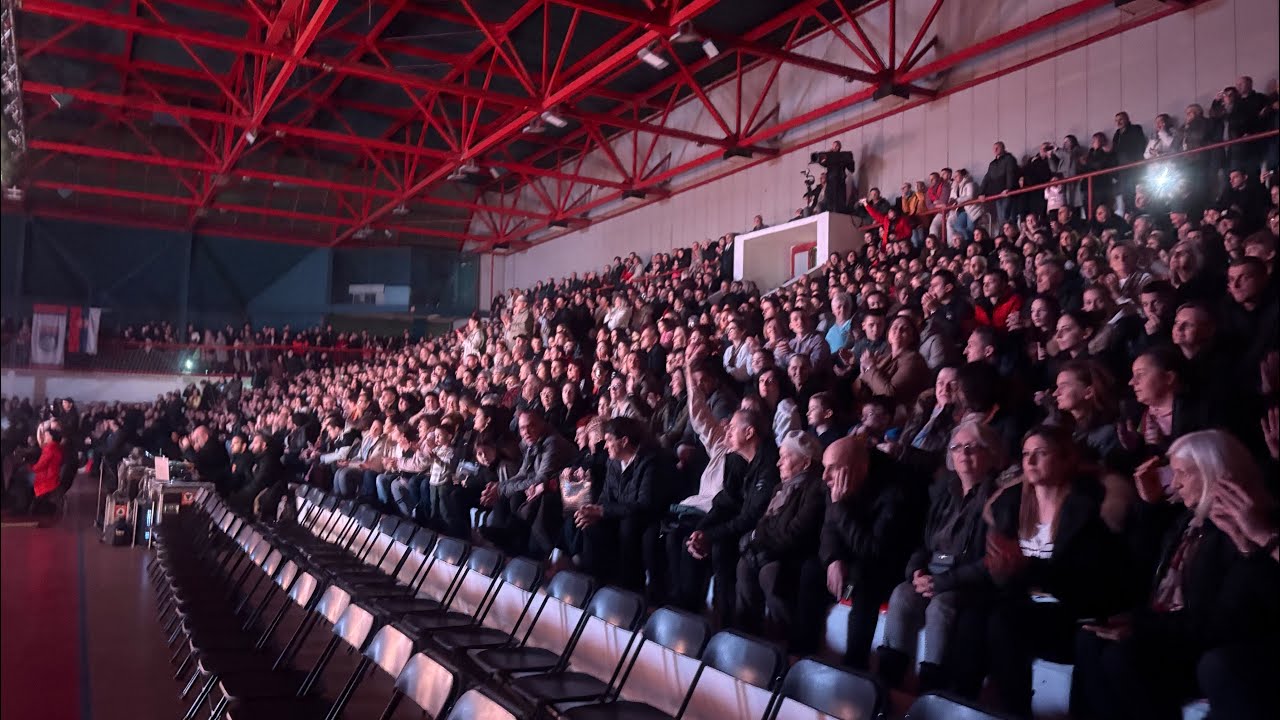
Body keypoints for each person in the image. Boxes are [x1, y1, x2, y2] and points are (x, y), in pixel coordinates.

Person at [1073, 430, 1280, 720]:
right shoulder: (1187, 521)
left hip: (1200, 643)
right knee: (1090, 639)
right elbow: (1140, 570)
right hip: (1172, 630)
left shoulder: (1245, 529)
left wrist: (1144, 626)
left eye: (1183, 473)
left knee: (1124, 655)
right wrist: (1148, 507)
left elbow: (1227, 619)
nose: (1176, 482)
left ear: (1213, 473)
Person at [982, 426, 1128, 717]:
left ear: (1064, 458)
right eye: (1026, 454)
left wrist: (1027, 566)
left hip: (1069, 612)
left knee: (1005, 622)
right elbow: (1000, 567)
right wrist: (1004, 569)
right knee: (981, 616)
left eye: (1041, 453)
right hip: (1024, 602)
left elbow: (1085, 583)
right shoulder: (1011, 504)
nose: (1030, 461)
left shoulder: (1087, 508)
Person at [877, 420, 1002, 693]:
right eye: (957, 447)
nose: (963, 453)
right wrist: (916, 571)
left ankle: (933, 687)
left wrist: (943, 582)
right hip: (933, 572)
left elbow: (991, 561)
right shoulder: (945, 492)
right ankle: (888, 684)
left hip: (966, 580)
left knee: (941, 605)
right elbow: (924, 542)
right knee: (901, 593)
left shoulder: (998, 497)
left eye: (972, 447)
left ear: (990, 453)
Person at [808, 435, 922, 669]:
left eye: (832, 468)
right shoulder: (838, 480)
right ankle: (802, 654)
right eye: (824, 467)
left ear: (860, 467)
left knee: (863, 582)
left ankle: (854, 668)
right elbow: (829, 528)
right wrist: (833, 559)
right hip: (851, 557)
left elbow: (874, 551)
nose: (824, 476)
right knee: (810, 570)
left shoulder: (897, 488)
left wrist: (840, 507)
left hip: (888, 566)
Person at [734, 430, 827, 646]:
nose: (778, 463)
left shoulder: (815, 489)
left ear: (805, 463)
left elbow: (797, 532)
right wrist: (757, 544)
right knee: (744, 565)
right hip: (771, 550)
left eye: (785, 457)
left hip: (796, 556)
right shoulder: (780, 488)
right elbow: (764, 525)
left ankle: (784, 643)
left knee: (771, 573)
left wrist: (761, 544)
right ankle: (746, 638)